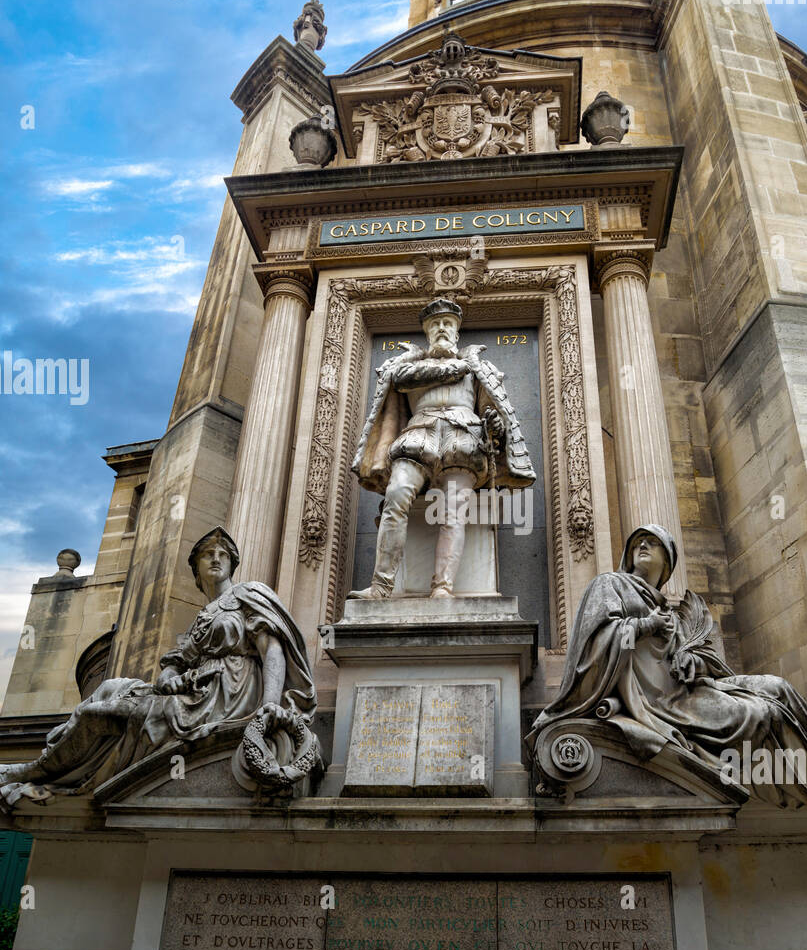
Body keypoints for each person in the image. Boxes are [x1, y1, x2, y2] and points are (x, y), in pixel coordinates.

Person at [528, 524, 807, 815]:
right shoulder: (610, 585)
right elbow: (591, 649)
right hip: (660, 705)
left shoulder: (670, 613)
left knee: (777, 687)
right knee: (762, 712)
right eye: (637, 541)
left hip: (688, 691)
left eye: (652, 542)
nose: (642, 545)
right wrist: (645, 626)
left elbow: (701, 667)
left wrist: (691, 662)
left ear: (668, 562)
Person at [0, 528, 316, 806]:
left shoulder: (249, 594)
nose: (216, 559)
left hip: (229, 694)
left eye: (223, 554)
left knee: (98, 714)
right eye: (208, 555)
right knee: (110, 688)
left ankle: (37, 771)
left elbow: (272, 649)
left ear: (233, 563)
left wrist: (269, 707)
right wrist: (168, 677)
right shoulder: (205, 614)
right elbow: (176, 661)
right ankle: (46, 770)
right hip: (197, 692)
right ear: (197, 569)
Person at [350, 296, 534, 599]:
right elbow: (401, 381)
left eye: (448, 323)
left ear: (457, 332)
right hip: (418, 435)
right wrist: (453, 369)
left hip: (464, 438)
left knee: (453, 513)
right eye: (435, 324)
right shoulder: (406, 369)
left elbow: (495, 412)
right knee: (396, 497)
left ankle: (443, 587)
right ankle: (381, 588)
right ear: (427, 332)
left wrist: (496, 427)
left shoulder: (478, 369)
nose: (442, 329)